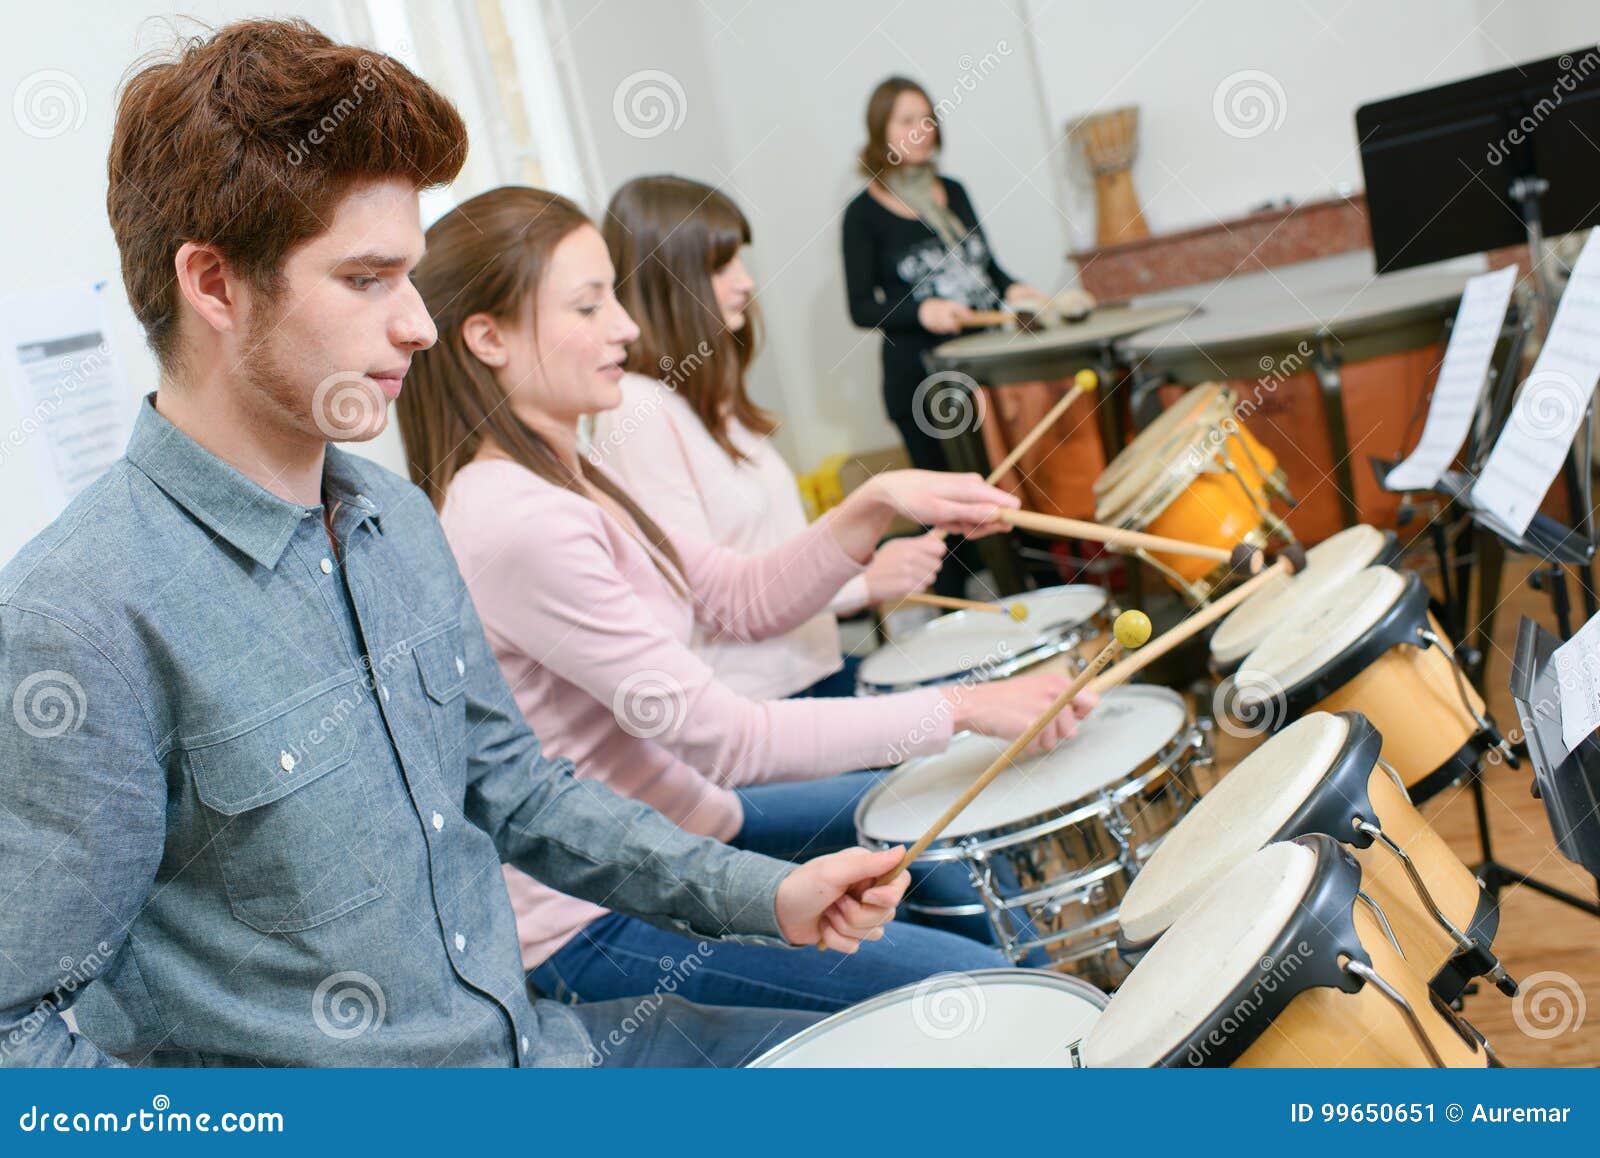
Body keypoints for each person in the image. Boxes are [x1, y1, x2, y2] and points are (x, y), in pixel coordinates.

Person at [0, 19, 908, 1070]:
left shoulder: (396, 520)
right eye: (366, 280)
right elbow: (16, 1033)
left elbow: (518, 790)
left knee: (937, 1072)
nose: (420, 327)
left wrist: (761, 894)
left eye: (412, 277)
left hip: (539, 1055)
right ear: (214, 284)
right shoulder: (78, 619)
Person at [397, 185, 1097, 1011]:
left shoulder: (568, 474)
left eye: (615, 298)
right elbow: (727, 739)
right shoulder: (516, 518)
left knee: (939, 826)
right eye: (588, 307)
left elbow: (735, 597)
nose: (625, 328)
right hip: (596, 914)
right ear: (488, 338)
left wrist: (876, 503)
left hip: (689, 828)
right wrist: (966, 706)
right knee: (970, 987)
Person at [594, 173, 944, 701]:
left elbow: (771, 551)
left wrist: (862, 563)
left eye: (740, 260)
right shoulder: (635, 410)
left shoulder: (709, 397)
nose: (745, 282)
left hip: (811, 669)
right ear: (668, 282)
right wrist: (861, 582)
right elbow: (705, 597)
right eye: (721, 266)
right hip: (754, 700)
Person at [842, 76, 1045, 597]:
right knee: (946, 509)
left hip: (984, 369)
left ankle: (1039, 594)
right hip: (922, 381)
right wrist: (921, 311)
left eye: (927, 118)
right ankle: (953, 612)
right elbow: (861, 306)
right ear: (881, 131)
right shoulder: (863, 214)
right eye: (907, 120)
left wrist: (1015, 289)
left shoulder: (952, 191)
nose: (922, 130)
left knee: (1009, 487)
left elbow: (985, 270)